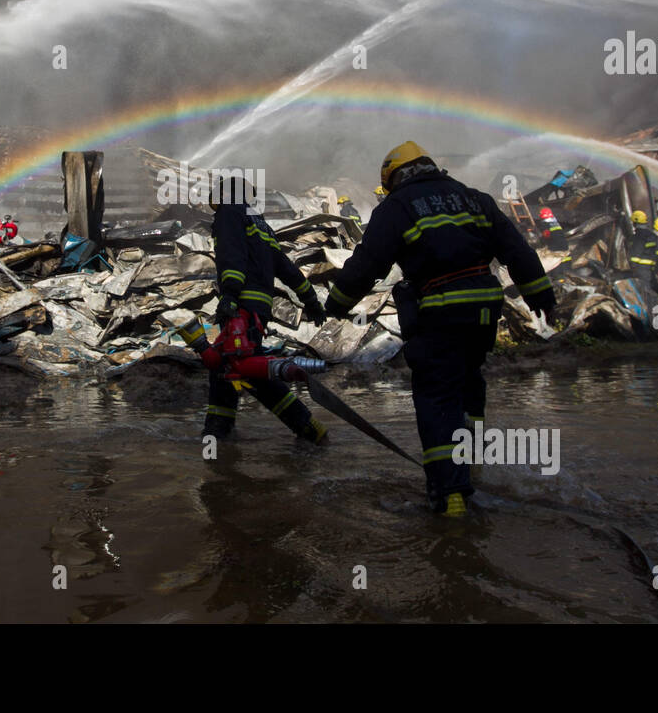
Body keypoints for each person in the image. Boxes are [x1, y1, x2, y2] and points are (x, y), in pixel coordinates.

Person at [323, 142, 556, 517]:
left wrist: (336, 303)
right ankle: (473, 465)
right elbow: (517, 250)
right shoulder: (475, 199)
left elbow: (369, 263)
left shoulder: (396, 207)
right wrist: (540, 295)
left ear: (393, 178)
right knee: (469, 382)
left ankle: (449, 493)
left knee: (436, 397)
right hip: (483, 312)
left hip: (439, 312)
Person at [203, 173, 328, 444]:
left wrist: (230, 297)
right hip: (259, 307)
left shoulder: (229, 214)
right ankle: (217, 436)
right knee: (227, 369)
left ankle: (308, 428)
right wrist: (311, 301)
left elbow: (231, 254)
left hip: (241, 306)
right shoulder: (260, 224)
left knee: (243, 367)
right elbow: (285, 267)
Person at [626, 210, 656, 281]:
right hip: (652, 268)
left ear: (635, 222)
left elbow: (636, 251)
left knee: (644, 289)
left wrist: (632, 265)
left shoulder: (639, 236)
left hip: (642, 268)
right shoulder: (651, 234)